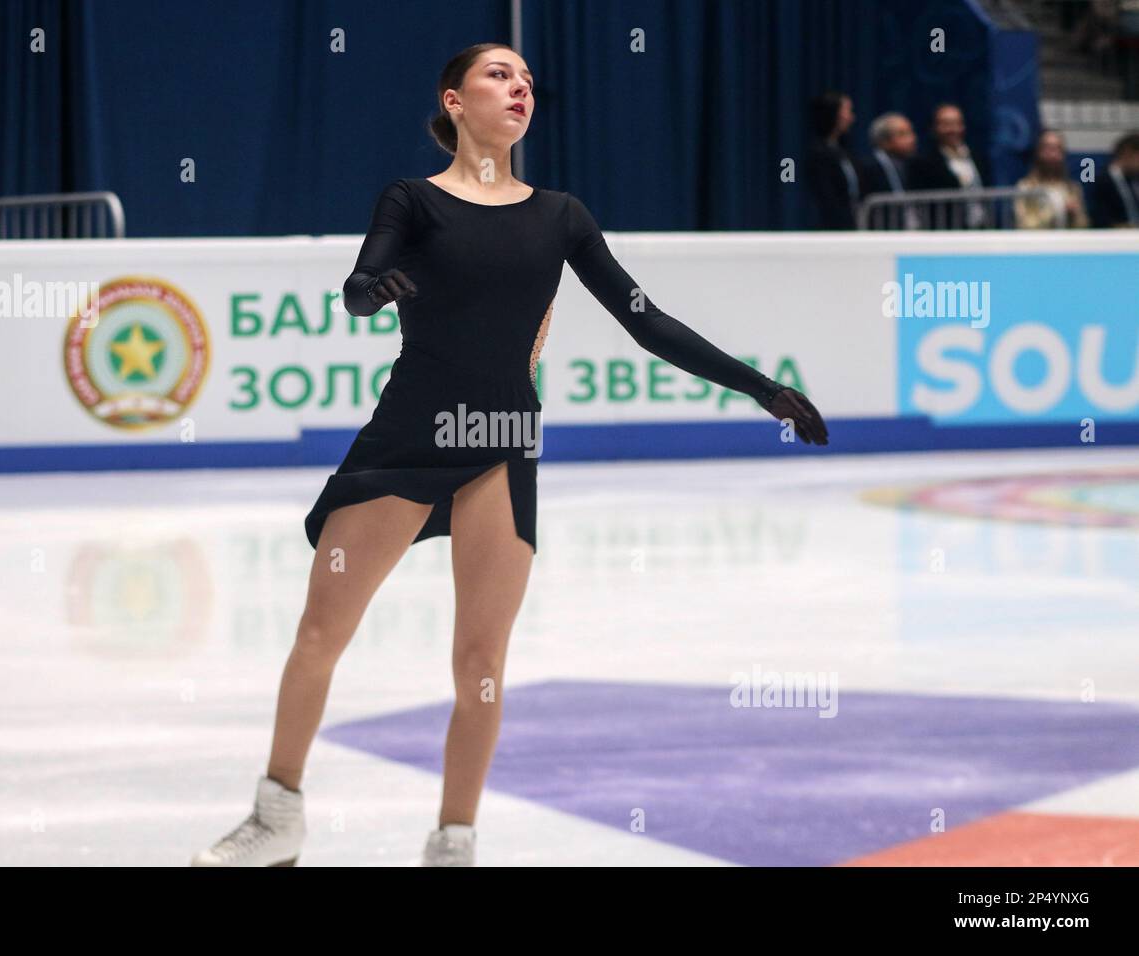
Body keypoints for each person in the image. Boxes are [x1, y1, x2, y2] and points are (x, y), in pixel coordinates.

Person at [190, 42, 829, 868]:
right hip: (409, 434)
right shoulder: (413, 201)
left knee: (481, 661)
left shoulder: (560, 215)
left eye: (527, 80)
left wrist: (757, 387)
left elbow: (647, 319)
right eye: (499, 75)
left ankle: (453, 841)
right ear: (453, 102)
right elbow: (359, 286)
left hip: (500, 443)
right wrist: (367, 291)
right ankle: (277, 816)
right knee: (321, 632)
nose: (519, 88)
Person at [910, 104, 991, 228]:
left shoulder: (977, 156)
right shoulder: (925, 161)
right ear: (934, 128)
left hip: (980, 228)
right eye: (946, 124)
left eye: (957, 123)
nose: (953, 129)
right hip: (946, 231)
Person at [805, 90, 860, 229]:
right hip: (831, 228)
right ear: (833, 113)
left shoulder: (844, 151)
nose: (851, 118)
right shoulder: (818, 153)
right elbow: (826, 198)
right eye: (847, 111)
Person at [1014, 129, 1090, 229]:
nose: (1052, 154)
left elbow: (1084, 226)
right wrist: (1057, 212)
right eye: (1048, 148)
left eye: (1057, 149)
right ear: (1038, 152)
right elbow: (1023, 224)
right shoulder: (1025, 187)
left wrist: (1075, 215)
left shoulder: (1072, 188)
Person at [860, 112, 920, 228]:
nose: (912, 139)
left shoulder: (913, 165)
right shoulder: (869, 167)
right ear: (884, 141)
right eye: (903, 134)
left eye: (911, 132)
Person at [1092, 131, 1139, 227]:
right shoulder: (1103, 181)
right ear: (1128, 154)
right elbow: (1098, 217)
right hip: (1114, 237)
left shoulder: (1134, 181)